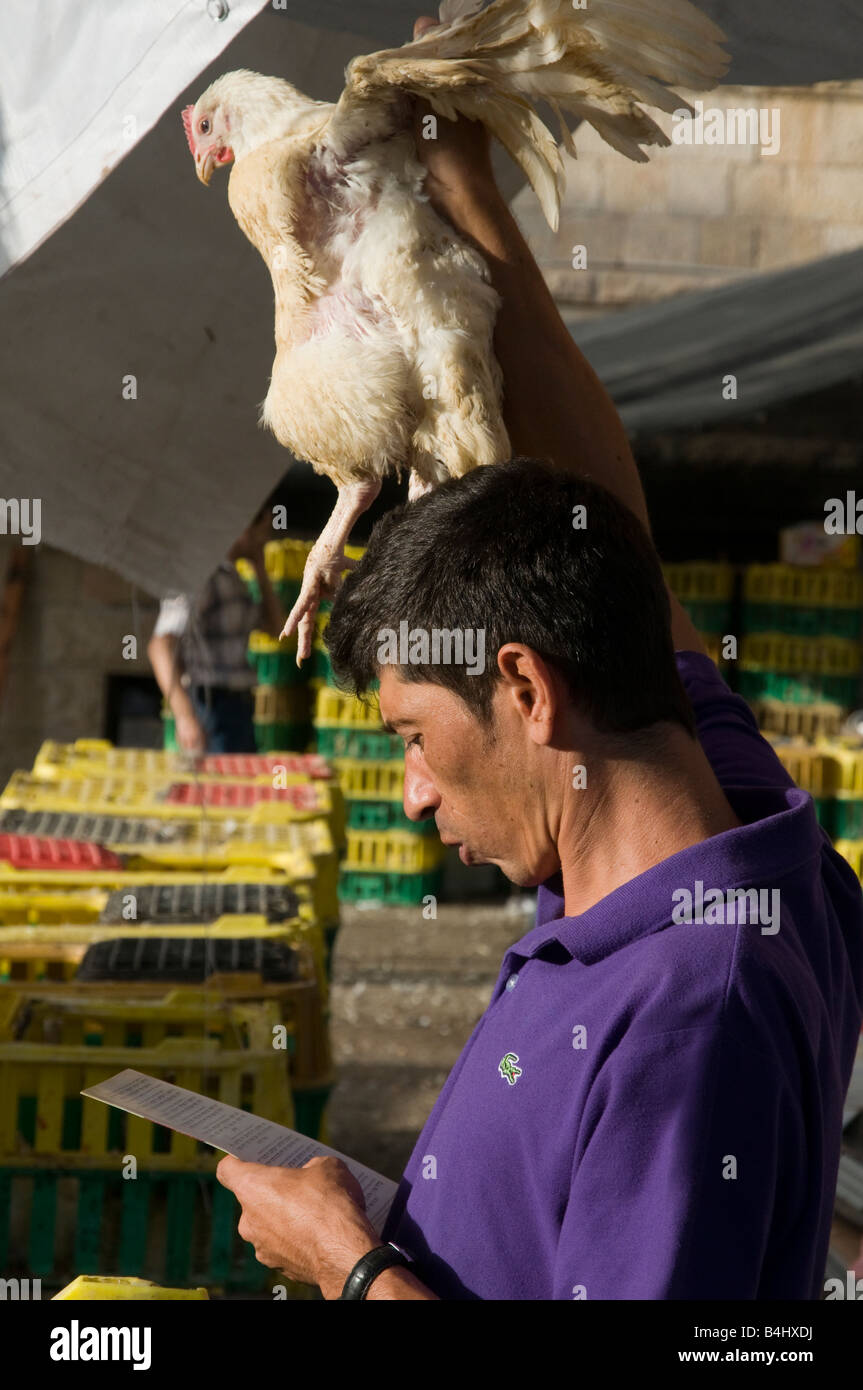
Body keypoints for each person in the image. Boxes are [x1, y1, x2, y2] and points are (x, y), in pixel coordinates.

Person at [213, 17, 863, 1300]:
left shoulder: (689, 1007)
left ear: (525, 687)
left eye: (410, 736)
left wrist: (347, 1267)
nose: (406, 791)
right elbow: (600, 511)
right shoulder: (753, 842)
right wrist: (464, 191)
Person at [147, 501, 285, 754]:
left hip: (239, 707)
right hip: (209, 706)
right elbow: (160, 646)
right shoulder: (199, 576)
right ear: (243, 528)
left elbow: (278, 629)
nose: (266, 538)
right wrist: (185, 718)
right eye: (263, 530)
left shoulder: (233, 578)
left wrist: (260, 569)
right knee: (214, 786)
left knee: (240, 788)